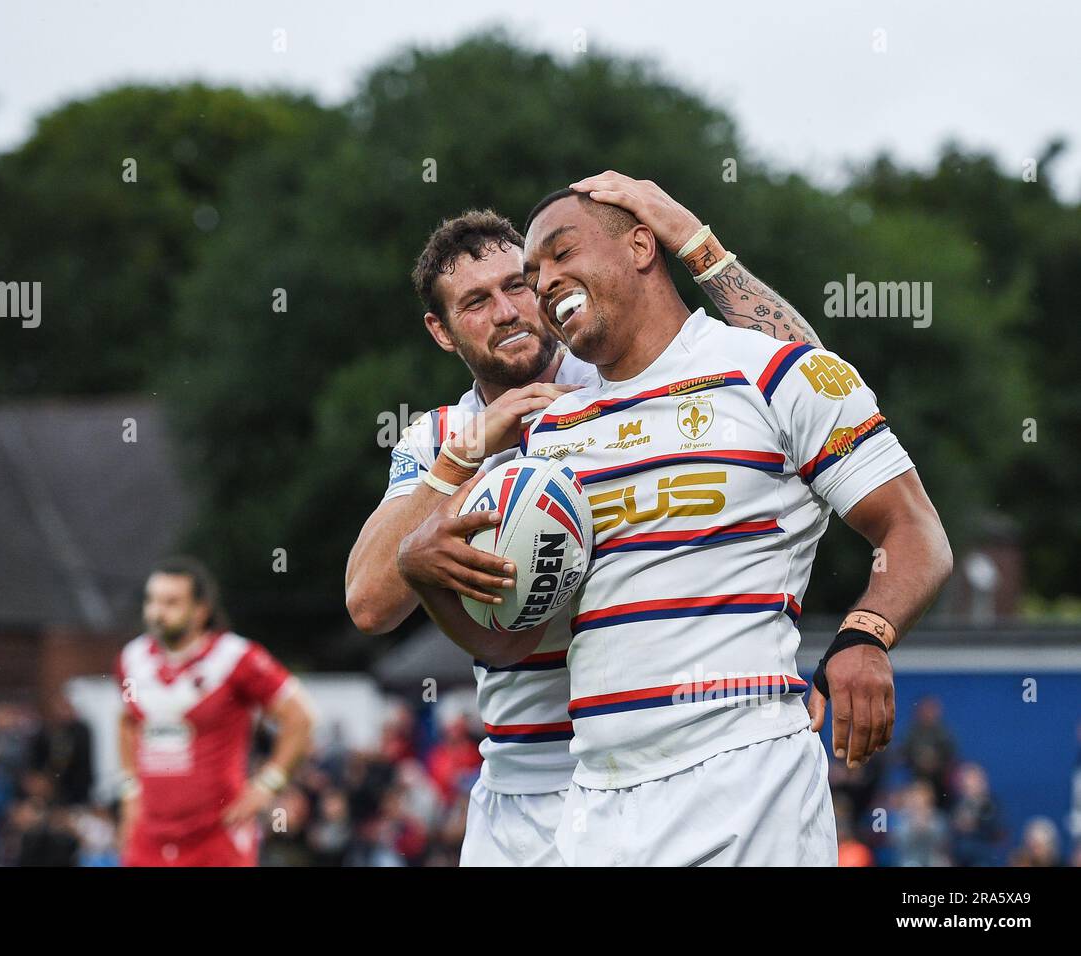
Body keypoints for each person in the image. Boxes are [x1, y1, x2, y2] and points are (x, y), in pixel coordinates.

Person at [403, 173, 952, 865]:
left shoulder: (768, 372)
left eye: (562, 254)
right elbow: (511, 644)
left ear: (641, 245)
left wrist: (866, 635)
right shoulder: (548, 431)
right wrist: (420, 572)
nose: (543, 284)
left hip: (748, 779)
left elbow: (912, 529)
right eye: (534, 272)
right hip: (597, 800)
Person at [347, 173, 826, 865]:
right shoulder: (439, 438)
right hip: (521, 790)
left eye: (519, 284)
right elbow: (368, 603)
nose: (509, 311)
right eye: (475, 303)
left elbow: (808, 382)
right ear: (441, 332)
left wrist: (695, 243)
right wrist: (468, 457)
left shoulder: (629, 378)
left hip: (666, 774)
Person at [117, 557, 314, 866]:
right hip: (151, 836)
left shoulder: (235, 657)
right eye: (152, 601)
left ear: (201, 610)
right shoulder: (132, 658)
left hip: (216, 834)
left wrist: (268, 785)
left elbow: (299, 717)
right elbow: (128, 722)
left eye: (171, 602)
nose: (157, 612)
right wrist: (130, 790)